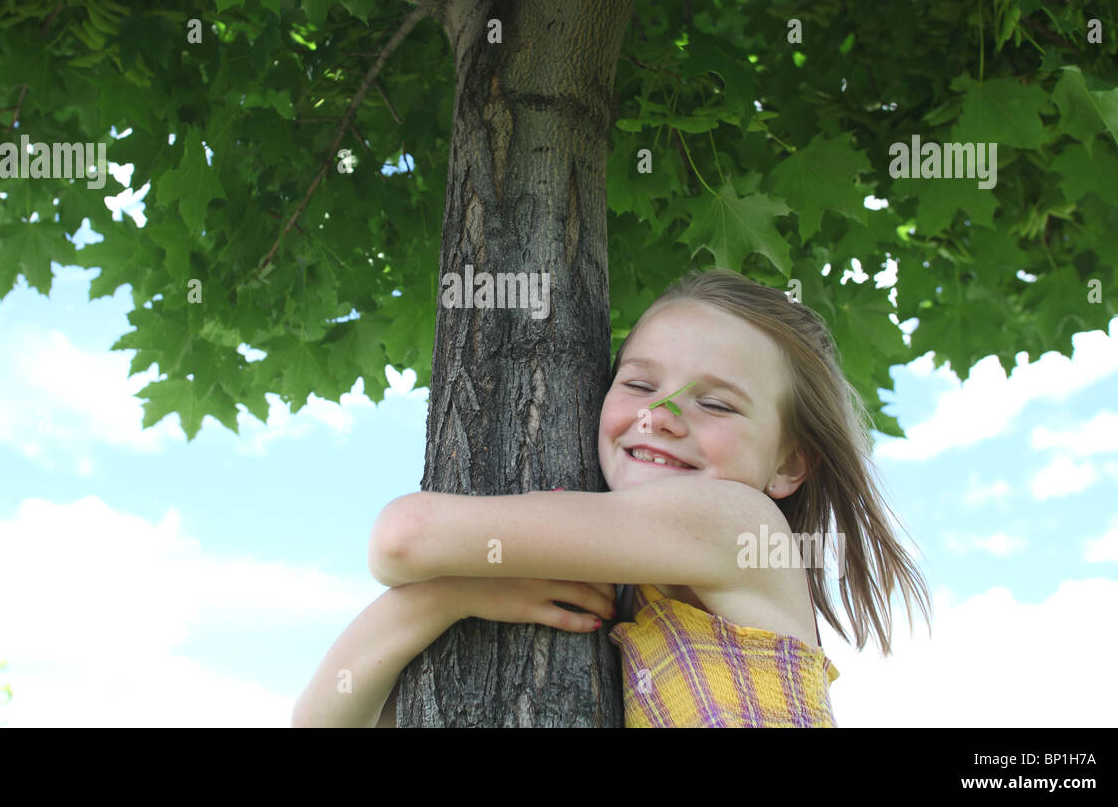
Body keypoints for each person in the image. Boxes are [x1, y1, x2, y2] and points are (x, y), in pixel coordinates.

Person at [290, 268, 933, 727]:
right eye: (638, 384)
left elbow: (404, 536)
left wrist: (452, 584)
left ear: (788, 464)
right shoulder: (625, 613)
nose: (660, 417)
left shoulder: (737, 525)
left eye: (715, 403)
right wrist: (446, 599)